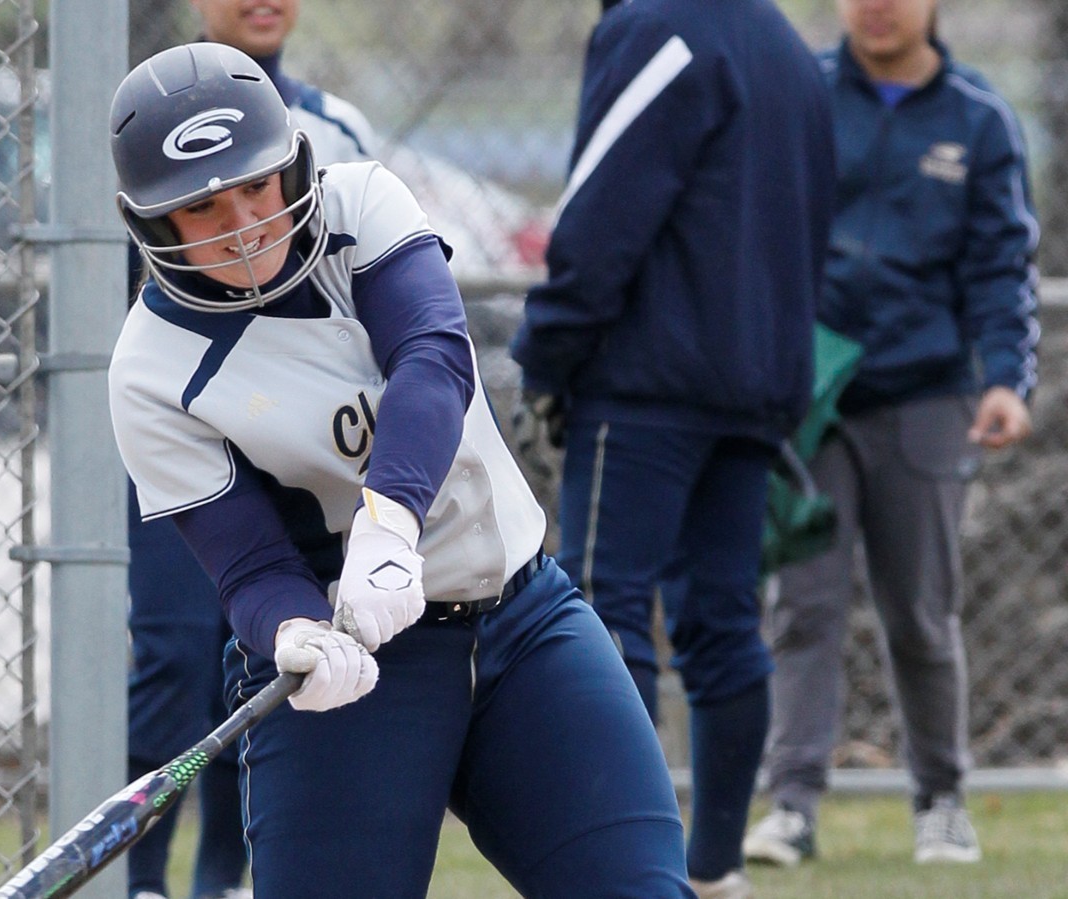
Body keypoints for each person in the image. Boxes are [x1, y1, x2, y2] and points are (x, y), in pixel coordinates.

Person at [109, 42, 694, 899]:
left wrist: (389, 523)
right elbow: (248, 562)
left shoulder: (363, 204)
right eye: (202, 208)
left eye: (255, 186)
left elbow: (433, 359)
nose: (242, 223)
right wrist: (293, 633)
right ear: (153, 224)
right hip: (348, 668)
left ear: (293, 168)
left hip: (522, 619)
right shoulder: (149, 371)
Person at [508, 0, 835, 895]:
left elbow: (604, 206)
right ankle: (716, 863)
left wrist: (547, 352)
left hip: (649, 380)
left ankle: (630, 866)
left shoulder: (657, 27)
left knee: (603, 616)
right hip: (757, 383)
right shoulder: (788, 48)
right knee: (722, 622)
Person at [742, 0, 1037, 869]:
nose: (875, 6)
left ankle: (942, 797)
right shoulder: (799, 94)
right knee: (804, 607)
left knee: (919, 611)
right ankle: (791, 802)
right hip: (809, 399)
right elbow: (756, 235)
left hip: (927, 397)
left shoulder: (979, 120)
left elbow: (1000, 267)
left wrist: (1006, 383)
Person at [122, 3, 374, 898]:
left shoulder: (334, 130)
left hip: (297, 456)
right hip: (185, 447)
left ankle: (224, 877)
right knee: (171, 658)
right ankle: (141, 879)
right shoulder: (143, 132)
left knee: (267, 650)